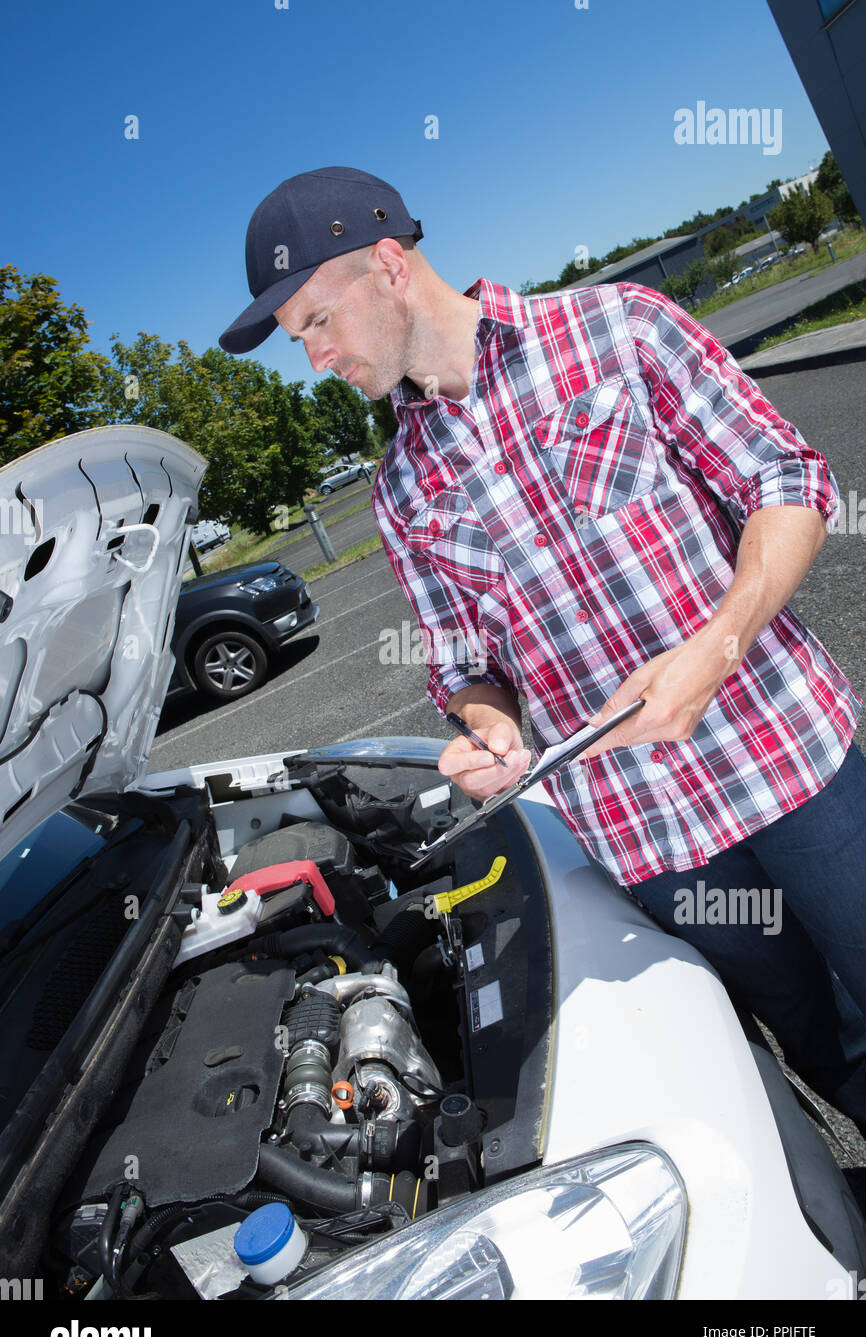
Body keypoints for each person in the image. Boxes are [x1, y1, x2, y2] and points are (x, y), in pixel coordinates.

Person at [220, 166, 866, 1135]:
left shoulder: (618, 327)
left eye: (315, 320)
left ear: (387, 265)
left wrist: (716, 644)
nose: (313, 357)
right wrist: (489, 728)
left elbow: (786, 479)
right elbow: (463, 663)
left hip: (783, 756)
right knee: (818, 1042)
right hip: (652, 839)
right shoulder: (399, 489)